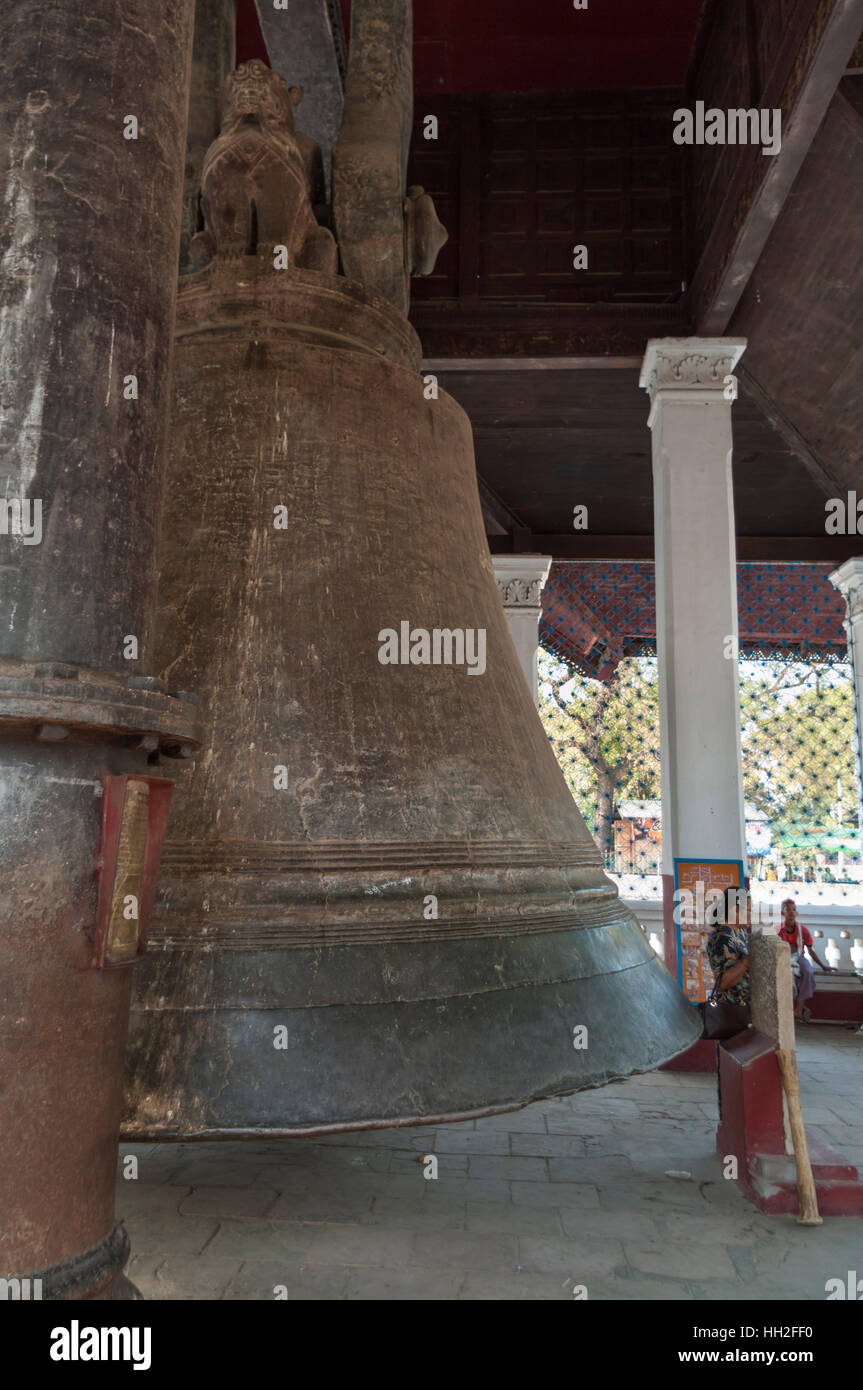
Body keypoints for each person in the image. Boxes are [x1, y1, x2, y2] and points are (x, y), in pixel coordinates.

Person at [705, 886, 751, 1118]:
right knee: (731, 1071)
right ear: (734, 910)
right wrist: (747, 962)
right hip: (732, 1012)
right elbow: (723, 982)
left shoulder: (740, 934)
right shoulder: (722, 937)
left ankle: (734, 1117)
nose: (751, 915)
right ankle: (729, 1119)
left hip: (745, 1013)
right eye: (747, 909)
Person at [778, 898, 835, 1022]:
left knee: (808, 972)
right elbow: (773, 949)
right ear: (783, 913)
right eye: (788, 910)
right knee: (786, 975)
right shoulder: (778, 930)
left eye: (794, 910)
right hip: (783, 958)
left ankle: (799, 1008)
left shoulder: (802, 930)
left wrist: (823, 966)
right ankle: (786, 1010)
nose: (792, 912)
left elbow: (810, 950)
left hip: (798, 957)